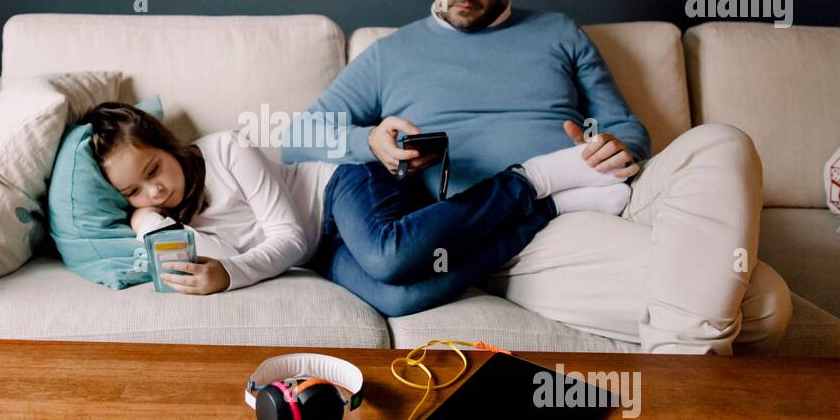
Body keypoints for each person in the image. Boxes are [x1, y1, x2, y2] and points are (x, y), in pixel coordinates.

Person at [281, 0, 793, 354]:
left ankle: (681, 378)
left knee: (722, 142)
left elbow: (628, 128)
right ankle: (688, 386)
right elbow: (296, 138)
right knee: (765, 303)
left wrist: (616, 145)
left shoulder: (558, 32)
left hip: (614, 191)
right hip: (531, 231)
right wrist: (369, 140)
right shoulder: (388, 54)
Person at [77, 101, 635, 318]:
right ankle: (549, 209)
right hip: (327, 250)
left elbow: (288, 237)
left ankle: (529, 179)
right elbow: (286, 253)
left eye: (153, 173)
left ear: (167, 143)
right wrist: (145, 220)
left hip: (336, 191)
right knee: (401, 296)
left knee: (391, 256)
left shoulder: (226, 149)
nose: (152, 193)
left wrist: (228, 275)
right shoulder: (158, 218)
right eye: (131, 192)